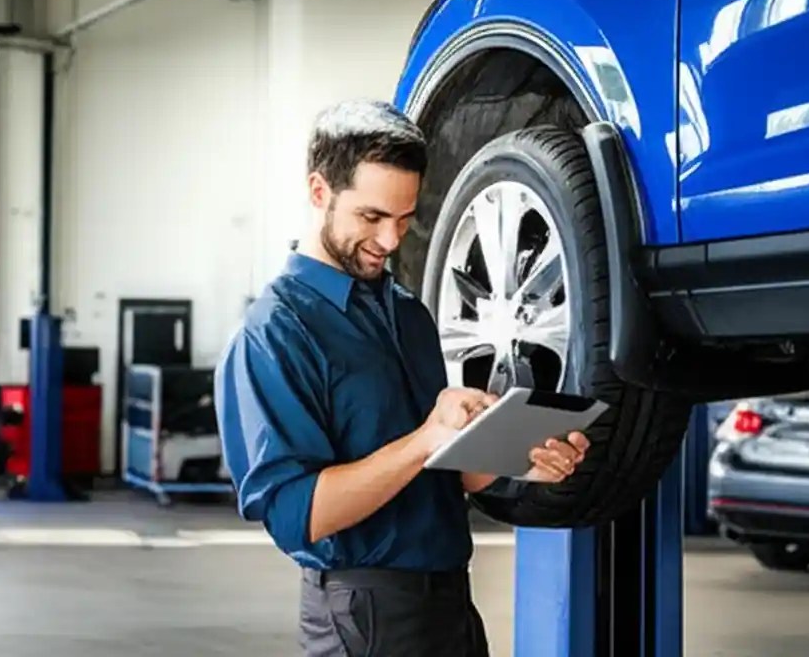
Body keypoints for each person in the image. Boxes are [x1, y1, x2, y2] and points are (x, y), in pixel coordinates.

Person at [214, 99, 591, 656]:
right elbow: (300, 516)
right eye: (371, 217)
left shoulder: (406, 312)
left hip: (450, 602)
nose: (391, 240)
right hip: (364, 616)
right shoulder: (274, 332)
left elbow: (447, 474)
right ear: (320, 192)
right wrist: (423, 441)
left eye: (404, 218)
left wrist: (522, 459)